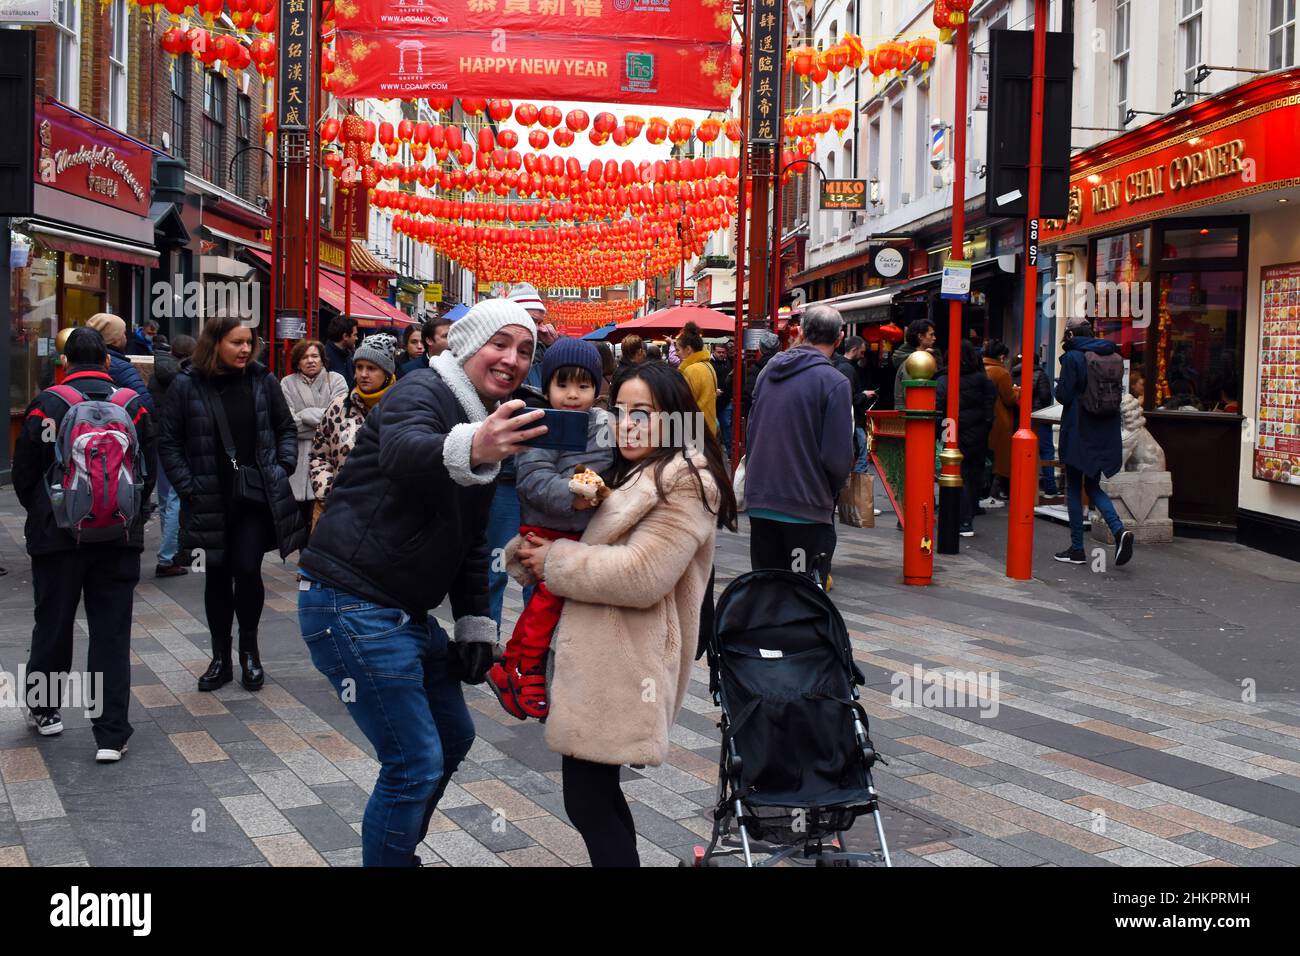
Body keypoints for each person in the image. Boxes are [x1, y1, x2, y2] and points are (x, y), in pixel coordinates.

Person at [298, 299, 545, 867]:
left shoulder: (487, 415)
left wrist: (475, 625)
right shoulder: (421, 391)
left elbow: (471, 539)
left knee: (452, 738)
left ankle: (395, 853)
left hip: (402, 613)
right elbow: (403, 451)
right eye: (500, 344)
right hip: (350, 601)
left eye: (525, 350)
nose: (512, 359)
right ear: (466, 345)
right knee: (414, 762)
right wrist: (476, 445)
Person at [507, 360, 736, 867]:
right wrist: (532, 553)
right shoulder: (631, 470)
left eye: (645, 413)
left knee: (587, 798)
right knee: (596, 795)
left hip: (629, 659)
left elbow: (642, 575)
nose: (628, 423)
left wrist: (555, 561)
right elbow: (593, 540)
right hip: (599, 655)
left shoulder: (686, 479)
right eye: (622, 411)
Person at [13, 327, 155, 761]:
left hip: (58, 538)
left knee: (53, 624)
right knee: (110, 632)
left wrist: (49, 511)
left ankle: (47, 711)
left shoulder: (47, 405)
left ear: (66, 362)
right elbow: (147, 471)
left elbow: (23, 476)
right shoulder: (132, 405)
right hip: (119, 538)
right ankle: (111, 733)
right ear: (109, 361)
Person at [159, 317, 305, 694]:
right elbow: (169, 441)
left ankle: (250, 653)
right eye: (236, 342)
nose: (244, 349)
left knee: (247, 568)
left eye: (249, 342)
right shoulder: (186, 385)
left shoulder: (262, 380)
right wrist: (188, 486)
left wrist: (282, 465)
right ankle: (220, 657)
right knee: (217, 574)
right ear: (215, 344)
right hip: (208, 497)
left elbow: (284, 427)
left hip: (254, 498)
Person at [488, 338, 614, 720]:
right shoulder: (541, 425)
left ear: (598, 387)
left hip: (580, 535)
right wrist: (574, 493)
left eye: (583, 385)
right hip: (547, 530)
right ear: (547, 387)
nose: (573, 395)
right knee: (546, 606)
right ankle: (528, 672)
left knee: (549, 608)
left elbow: (612, 472)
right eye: (563, 385)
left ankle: (510, 664)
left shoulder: (606, 425)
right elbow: (532, 480)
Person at [745, 306, 853, 585]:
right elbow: (837, 458)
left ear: (801, 333)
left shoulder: (768, 371)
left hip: (761, 500)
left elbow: (752, 428)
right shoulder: (835, 382)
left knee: (766, 587)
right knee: (800, 590)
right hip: (805, 505)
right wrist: (832, 488)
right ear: (839, 339)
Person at [1053, 317, 1134, 567]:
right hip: (1105, 429)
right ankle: (1119, 531)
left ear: (1070, 335)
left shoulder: (1073, 357)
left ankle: (1077, 549)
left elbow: (1064, 395)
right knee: (1094, 485)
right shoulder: (1109, 353)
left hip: (1080, 428)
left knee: (1074, 487)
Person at [308, 333, 398, 528]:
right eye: (359, 367)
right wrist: (327, 492)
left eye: (372, 368)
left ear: (387, 372)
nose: (364, 374)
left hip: (384, 516)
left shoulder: (402, 408)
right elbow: (319, 455)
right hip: (336, 510)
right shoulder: (339, 406)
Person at [280, 339, 348, 537]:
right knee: (299, 521)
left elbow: (338, 419)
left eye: (315, 356)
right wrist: (322, 419)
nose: (310, 361)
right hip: (297, 458)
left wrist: (303, 414)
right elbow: (288, 424)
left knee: (324, 517)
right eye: (305, 357)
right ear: (297, 362)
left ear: (322, 359)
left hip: (328, 456)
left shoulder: (336, 380)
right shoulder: (287, 383)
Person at [937, 340, 997, 537]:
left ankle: (958, 518)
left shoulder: (944, 379)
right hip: (978, 433)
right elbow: (990, 407)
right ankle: (967, 518)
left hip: (953, 430)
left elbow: (938, 406)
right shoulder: (982, 379)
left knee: (955, 474)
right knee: (973, 475)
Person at [150, 334, 195, 577]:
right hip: (179, 442)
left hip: (160, 440)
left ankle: (170, 553)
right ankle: (168, 556)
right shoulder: (184, 378)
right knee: (177, 500)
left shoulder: (159, 372)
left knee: (168, 499)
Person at [86, 313, 157, 415]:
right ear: (115, 340)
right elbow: (147, 406)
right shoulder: (123, 369)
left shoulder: (78, 361)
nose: (125, 337)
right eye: (123, 333)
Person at [982, 340, 1020, 504]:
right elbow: (1009, 399)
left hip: (984, 419)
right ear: (1001, 356)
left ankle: (984, 492)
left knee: (987, 457)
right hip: (1000, 420)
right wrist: (1018, 391)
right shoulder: (1001, 373)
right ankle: (993, 493)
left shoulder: (981, 369)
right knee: (1000, 459)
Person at [835, 335, 878, 474]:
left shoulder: (838, 364)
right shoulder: (847, 368)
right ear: (854, 350)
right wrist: (864, 395)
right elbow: (849, 398)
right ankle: (854, 489)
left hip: (847, 419)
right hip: (853, 420)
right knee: (861, 457)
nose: (862, 355)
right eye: (862, 352)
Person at [675, 320, 718, 433]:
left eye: (678, 349)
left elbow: (683, 404)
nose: (676, 353)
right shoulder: (707, 365)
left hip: (694, 430)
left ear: (688, 349)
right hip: (707, 426)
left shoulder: (692, 370)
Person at [892, 318, 936, 409]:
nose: (934, 338)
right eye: (931, 335)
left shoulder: (923, 359)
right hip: (913, 412)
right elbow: (911, 394)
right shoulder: (913, 362)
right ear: (920, 336)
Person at [741, 330, 780, 421]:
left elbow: (748, 395)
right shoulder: (788, 366)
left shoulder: (756, 369)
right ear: (778, 348)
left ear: (760, 350)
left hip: (760, 417)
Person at [324, 315, 359, 390]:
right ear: (345, 336)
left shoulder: (349, 353)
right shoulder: (324, 357)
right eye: (355, 335)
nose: (356, 338)